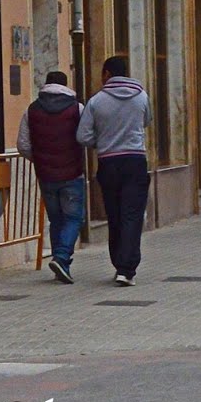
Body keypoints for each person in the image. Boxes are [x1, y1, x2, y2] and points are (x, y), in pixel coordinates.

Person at [77, 56, 151, 286]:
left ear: (107, 74)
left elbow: (82, 136)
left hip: (108, 162)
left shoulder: (96, 101)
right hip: (135, 161)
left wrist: (103, 141)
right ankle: (126, 269)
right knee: (132, 215)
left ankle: (119, 261)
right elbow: (146, 120)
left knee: (115, 214)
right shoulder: (141, 96)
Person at [16, 69, 86, 282]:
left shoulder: (31, 109)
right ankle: (62, 258)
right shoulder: (77, 109)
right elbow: (85, 136)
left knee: (56, 219)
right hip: (72, 173)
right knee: (73, 217)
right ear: (65, 85)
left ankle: (60, 264)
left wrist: (40, 160)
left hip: (46, 175)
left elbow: (23, 145)